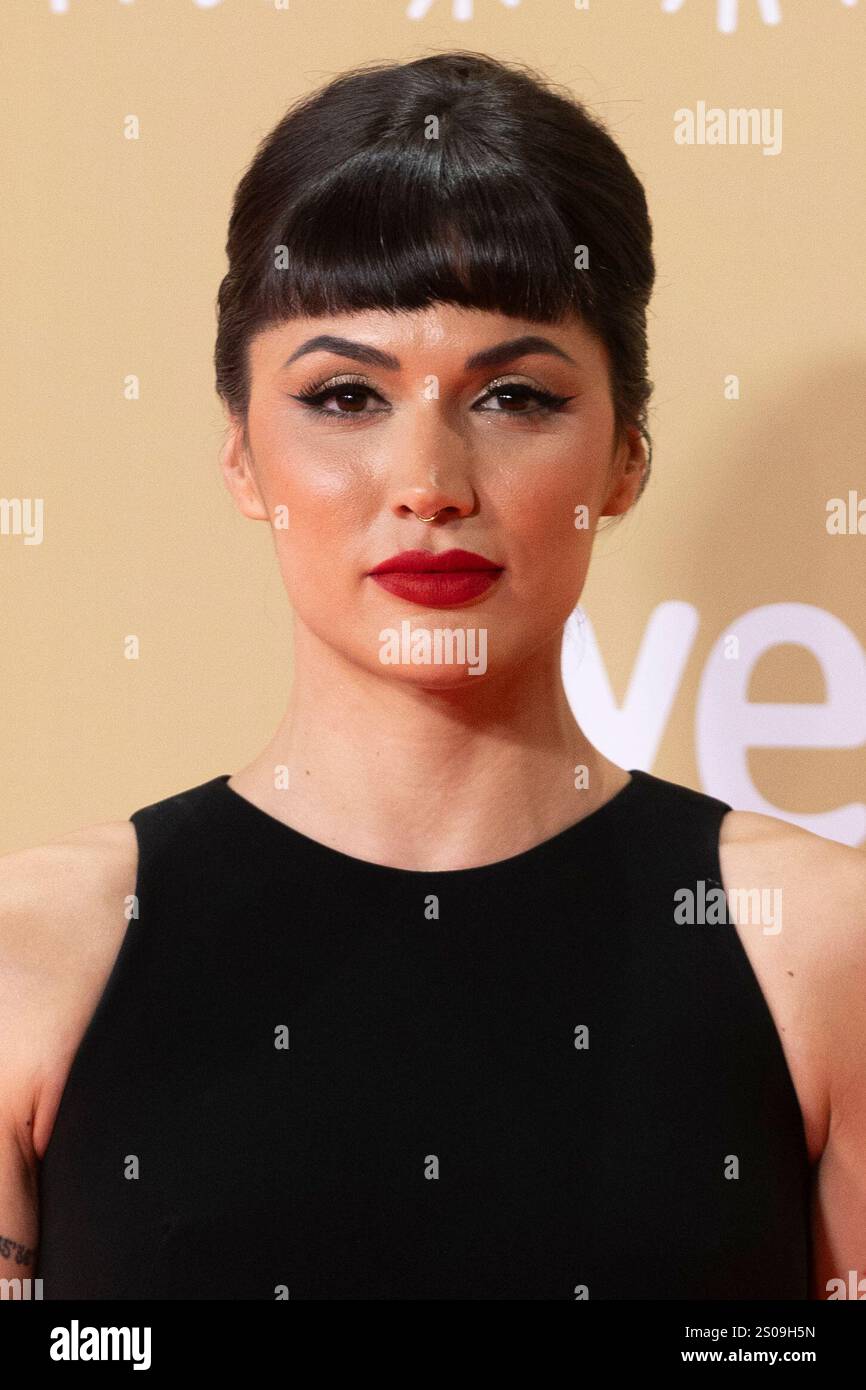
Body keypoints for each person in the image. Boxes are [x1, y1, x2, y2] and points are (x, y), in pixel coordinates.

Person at [2, 50, 864, 1301]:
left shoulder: (822, 948)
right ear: (242, 454)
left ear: (623, 454)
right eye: (344, 395)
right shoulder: (34, 956)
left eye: (512, 395)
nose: (428, 482)